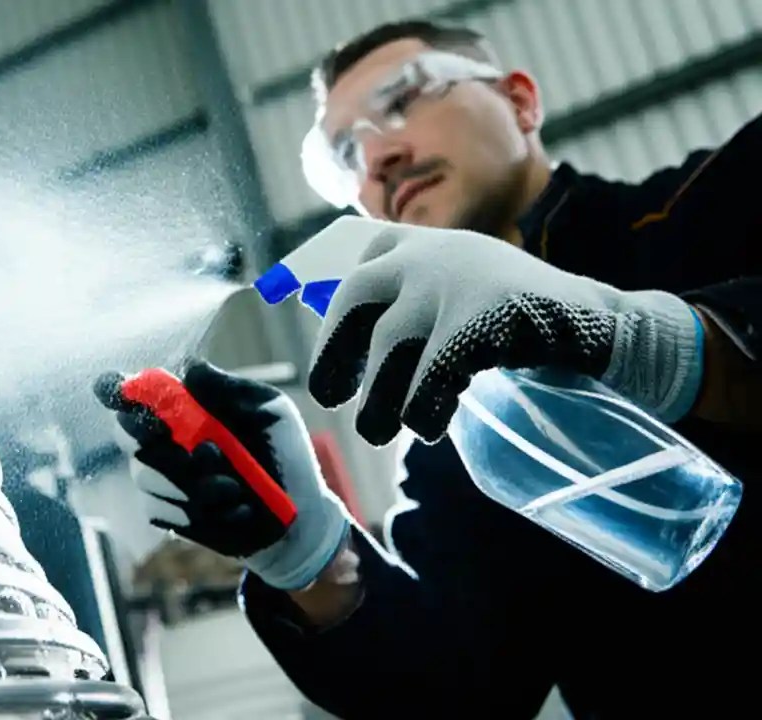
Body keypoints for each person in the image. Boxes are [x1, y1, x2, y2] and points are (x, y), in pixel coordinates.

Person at [95, 19, 761, 718]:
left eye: (404, 99)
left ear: (520, 102)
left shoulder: (728, 196)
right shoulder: (456, 441)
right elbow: (457, 693)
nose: (375, 157)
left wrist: (640, 340)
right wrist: (310, 555)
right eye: (343, 155)